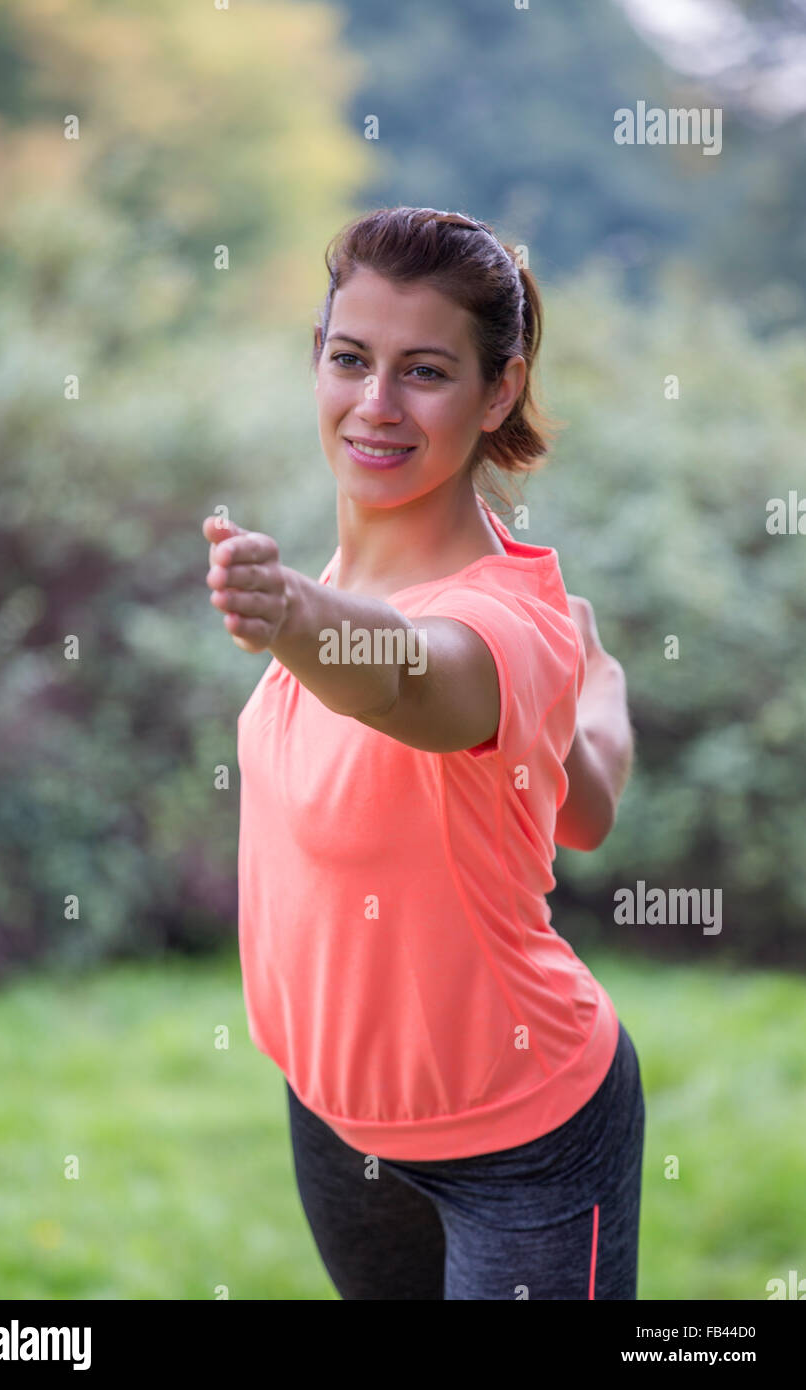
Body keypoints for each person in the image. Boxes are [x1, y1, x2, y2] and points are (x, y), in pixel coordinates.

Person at [202, 206, 643, 1300]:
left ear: (497, 391)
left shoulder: (496, 621)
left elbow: (399, 675)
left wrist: (293, 614)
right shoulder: (388, 580)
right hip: (336, 1111)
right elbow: (576, 812)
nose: (376, 404)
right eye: (351, 358)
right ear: (318, 359)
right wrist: (599, 700)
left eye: (426, 371)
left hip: (523, 1139)